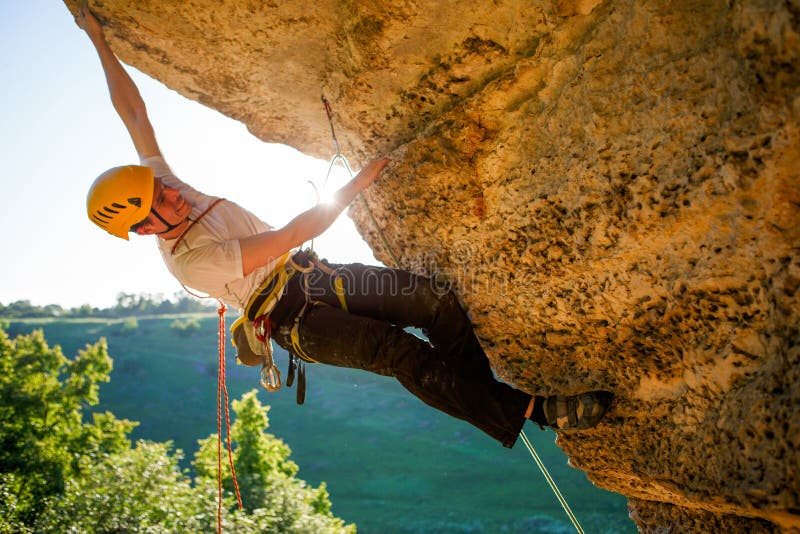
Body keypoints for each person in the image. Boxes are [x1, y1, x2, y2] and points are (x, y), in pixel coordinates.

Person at [76, 3, 613, 449]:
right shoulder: (194, 262)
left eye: (162, 185)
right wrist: (352, 189)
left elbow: (134, 115)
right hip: (294, 321)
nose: (172, 190)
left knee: (436, 302)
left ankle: (498, 405)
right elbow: (287, 236)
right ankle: (533, 411)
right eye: (161, 199)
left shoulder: (163, 192)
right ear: (145, 229)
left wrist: (99, 42)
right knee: (398, 352)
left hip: (313, 275)